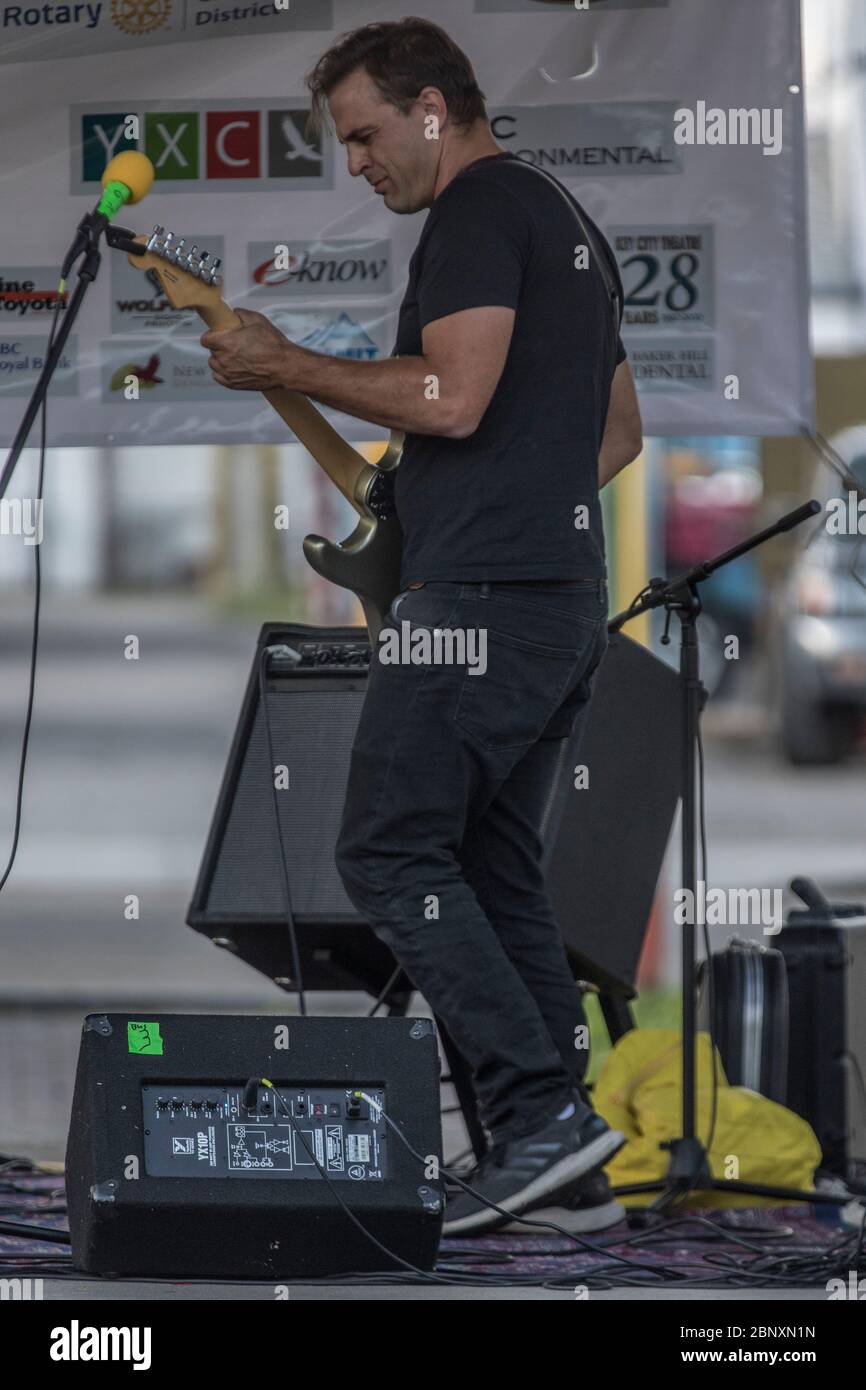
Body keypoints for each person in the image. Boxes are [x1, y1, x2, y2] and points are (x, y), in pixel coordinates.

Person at [201, 18, 643, 1235]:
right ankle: (567, 1169)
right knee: (494, 875)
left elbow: (449, 394)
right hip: (553, 604)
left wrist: (286, 355)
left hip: (483, 610)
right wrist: (499, 508)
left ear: (433, 110)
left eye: (363, 135)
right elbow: (617, 434)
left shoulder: (478, 214)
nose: (357, 163)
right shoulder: (569, 227)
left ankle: (540, 1121)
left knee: (390, 852)